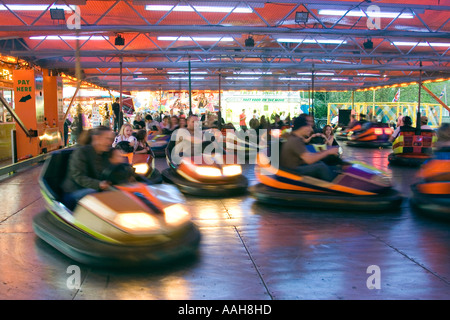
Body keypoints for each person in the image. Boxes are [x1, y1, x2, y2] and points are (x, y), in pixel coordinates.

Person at [61, 126, 116, 210]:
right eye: (107, 139)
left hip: (94, 189)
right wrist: (99, 184)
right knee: (96, 195)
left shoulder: (106, 154)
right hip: (74, 192)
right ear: (96, 138)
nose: (109, 142)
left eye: (111, 139)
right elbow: (79, 177)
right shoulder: (81, 152)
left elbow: (112, 170)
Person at [280, 116, 340, 182]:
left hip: (295, 168)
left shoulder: (295, 138)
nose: (311, 129)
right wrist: (328, 152)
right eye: (309, 127)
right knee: (320, 167)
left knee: (320, 162)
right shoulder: (295, 140)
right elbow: (309, 160)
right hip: (294, 172)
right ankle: (337, 187)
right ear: (302, 127)